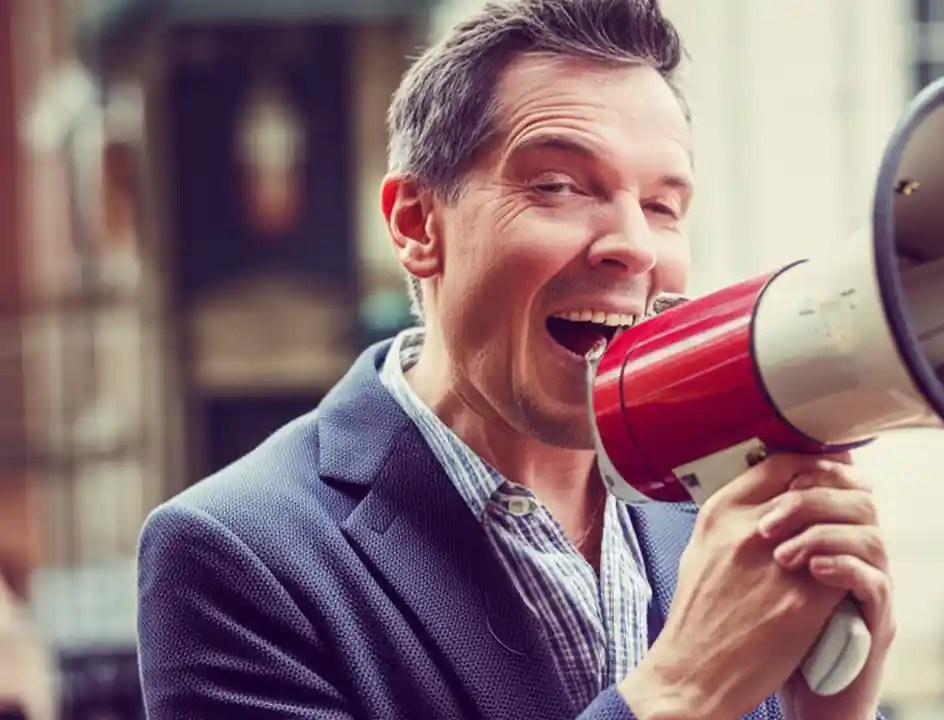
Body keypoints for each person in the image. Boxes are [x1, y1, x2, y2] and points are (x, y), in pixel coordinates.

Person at [136, 1, 896, 718]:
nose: (634, 244)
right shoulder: (233, 558)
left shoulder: (720, 501)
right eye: (559, 185)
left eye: (664, 206)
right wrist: (682, 691)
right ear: (416, 224)